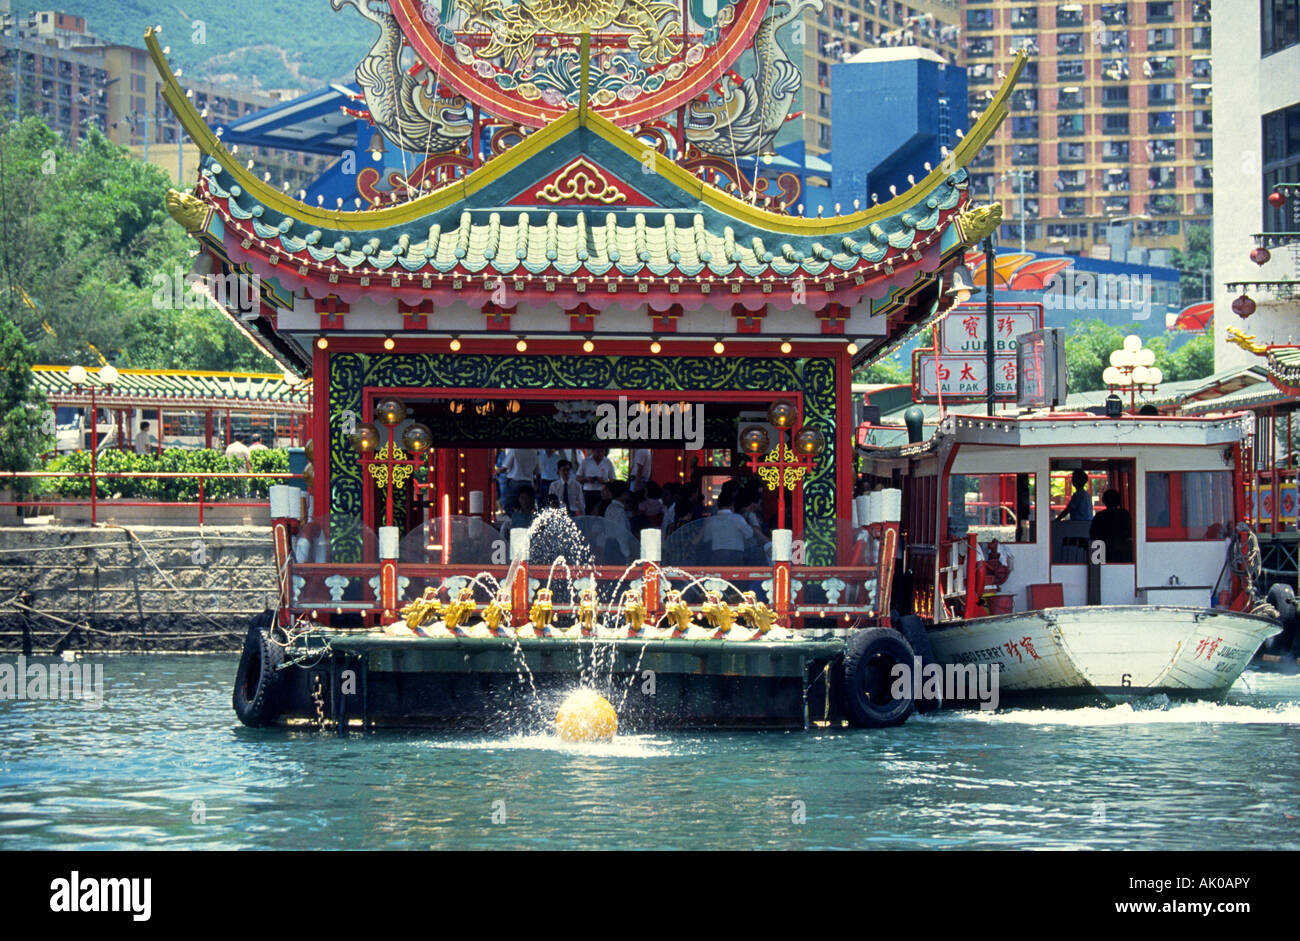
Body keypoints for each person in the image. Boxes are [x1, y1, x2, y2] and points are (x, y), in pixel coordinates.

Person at [706, 483, 754, 565]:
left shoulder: (712, 520)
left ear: (718, 505)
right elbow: (749, 534)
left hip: (717, 555)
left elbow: (706, 538)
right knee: (735, 577)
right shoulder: (738, 518)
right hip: (736, 554)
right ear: (732, 505)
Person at [1089, 488, 1133, 563]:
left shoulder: (1100, 516)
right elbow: (1130, 532)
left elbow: (1093, 535)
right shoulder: (1124, 514)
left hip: (1103, 552)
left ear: (1104, 501)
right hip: (1123, 553)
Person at [577, 447, 614, 514]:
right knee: (589, 513)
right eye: (598, 452)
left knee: (603, 513)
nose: (600, 454)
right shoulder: (585, 461)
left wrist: (604, 482)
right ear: (592, 451)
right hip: (588, 492)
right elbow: (577, 478)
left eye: (602, 451)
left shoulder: (608, 462)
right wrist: (587, 479)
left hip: (603, 492)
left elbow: (613, 479)